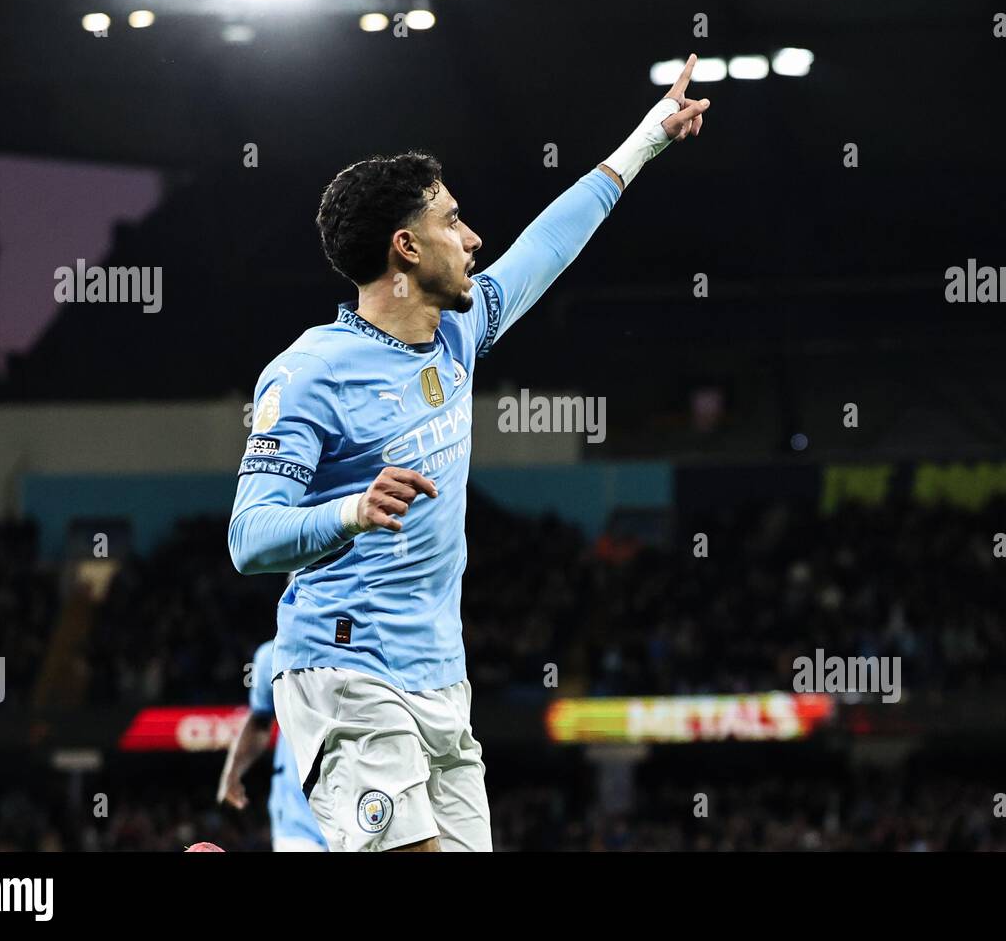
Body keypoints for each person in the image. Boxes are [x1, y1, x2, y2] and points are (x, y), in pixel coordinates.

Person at [228, 54, 710, 851]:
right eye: (452, 221)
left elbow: (545, 246)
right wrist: (351, 509)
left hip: (441, 679)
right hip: (343, 669)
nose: (474, 237)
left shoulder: (459, 331)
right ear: (406, 249)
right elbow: (250, 539)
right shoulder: (309, 372)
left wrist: (647, 140)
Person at [217, 639, 327, 851]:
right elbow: (260, 721)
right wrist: (233, 773)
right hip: (299, 823)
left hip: (359, 809)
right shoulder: (273, 655)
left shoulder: (367, 646)